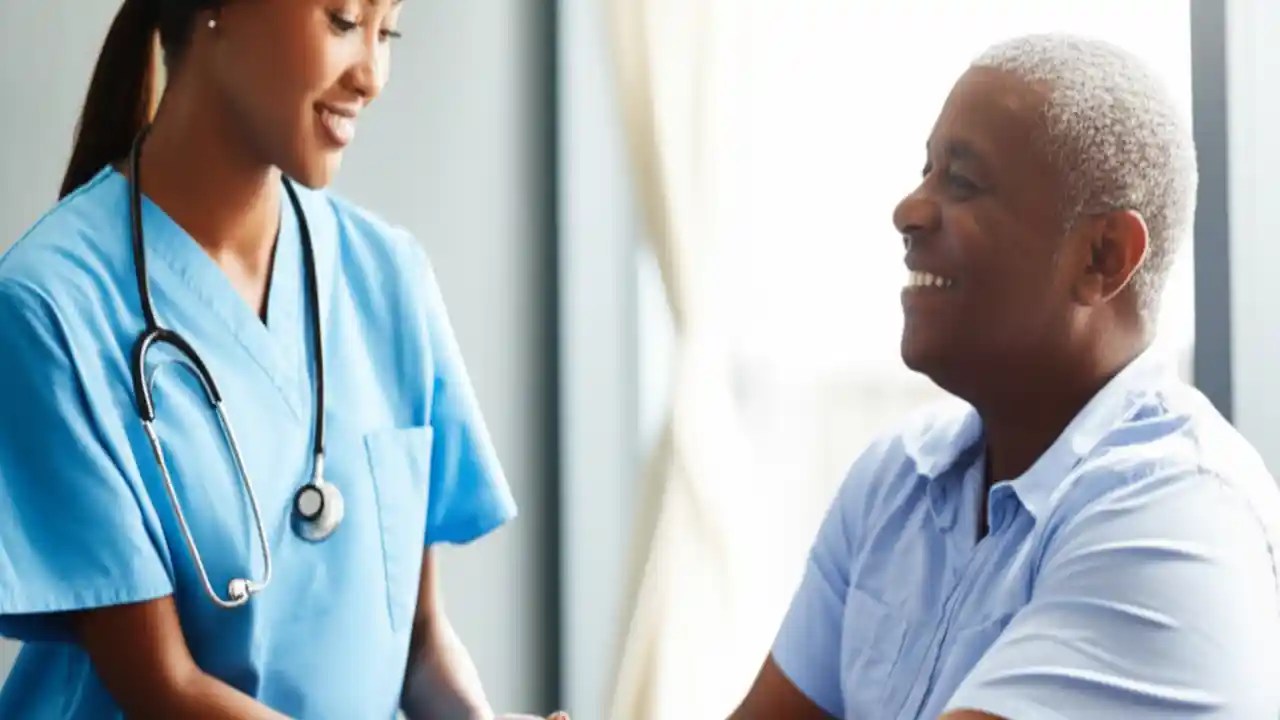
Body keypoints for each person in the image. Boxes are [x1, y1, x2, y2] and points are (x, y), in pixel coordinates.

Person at [0, 2, 566, 719]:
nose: (371, 75)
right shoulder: (49, 309)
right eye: (341, 20)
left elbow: (419, 642)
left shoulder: (389, 277)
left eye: (385, 32)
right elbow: (163, 690)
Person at [731, 33, 1280, 720]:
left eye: (961, 182)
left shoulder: (1178, 524)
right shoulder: (893, 484)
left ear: (1103, 256)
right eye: (926, 170)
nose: (909, 210)